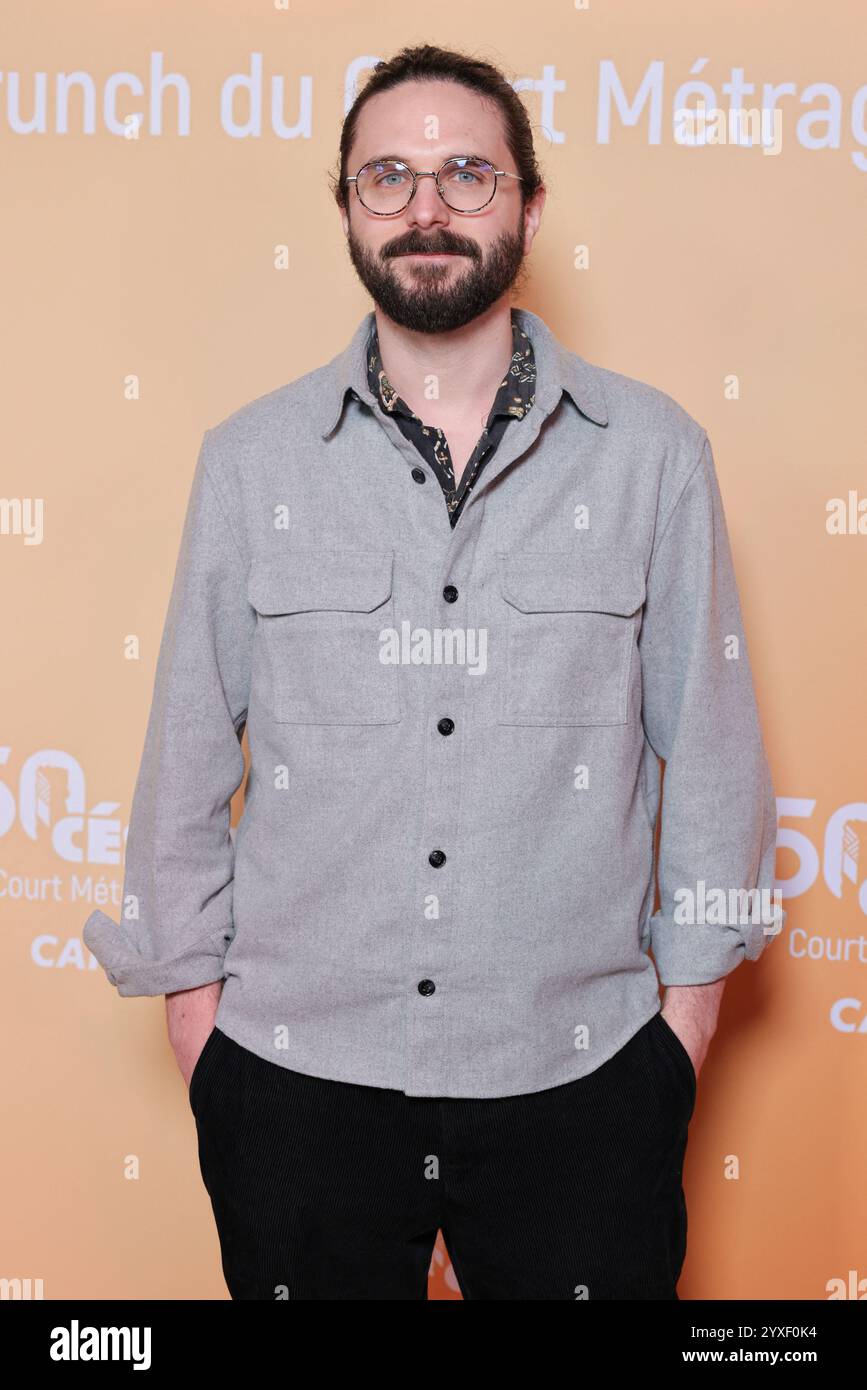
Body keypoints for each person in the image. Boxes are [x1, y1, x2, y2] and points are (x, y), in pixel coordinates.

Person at [83, 44, 784, 1300]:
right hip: (298, 1078)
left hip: (581, 1075)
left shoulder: (655, 456)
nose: (426, 209)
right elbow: (184, 757)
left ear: (528, 200)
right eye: (387, 177)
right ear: (346, 205)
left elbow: (714, 750)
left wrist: (677, 1044)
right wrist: (203, 1037)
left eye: (467, 173)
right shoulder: (251, 463)